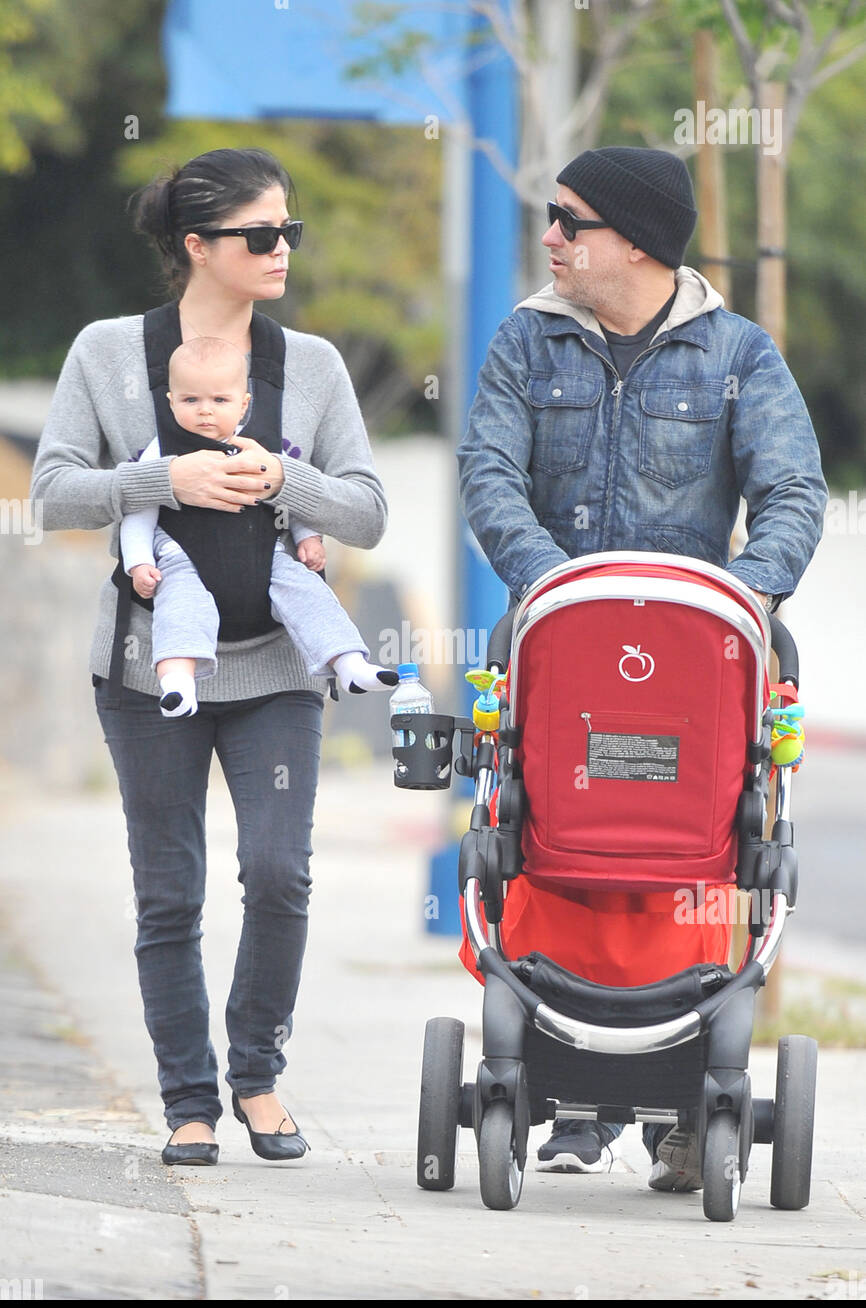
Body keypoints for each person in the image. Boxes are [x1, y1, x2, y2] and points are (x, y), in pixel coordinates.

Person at [456, 145, 828, 1189]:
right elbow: (487, 471)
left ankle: (676, 1086)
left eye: (566, 219)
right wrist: (549, 594)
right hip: (560, 650)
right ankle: (567, 1084)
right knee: (550, 829)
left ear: (633, 240)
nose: (550, 237)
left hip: (693, 663)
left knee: (703, 851)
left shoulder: (738, 355)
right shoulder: (525, 342)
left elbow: (792, 492)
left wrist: (741, 599)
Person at [30, 147, 389, 1165]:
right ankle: (189, 1103)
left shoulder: (308, 366)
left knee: (278, 873)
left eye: (290, 232)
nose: (282, 249)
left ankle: (259, 1076)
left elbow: (363, 507)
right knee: (168, 889)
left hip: (277, 666)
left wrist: (286, 480)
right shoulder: (108, 353)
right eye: (259, 234)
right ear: (197, 246)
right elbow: (53, 489)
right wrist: (164, 482)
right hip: (151, 671)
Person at [120, 334, 397, 717]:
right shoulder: (161, 449)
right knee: (180, 605)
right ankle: (177, 683)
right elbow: (139, 509)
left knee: (306, 590)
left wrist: (309, 537)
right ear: (170, 402)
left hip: (262, 551)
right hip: (182, 555)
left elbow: (291, 497)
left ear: (243, 403)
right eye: (190, 400)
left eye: (219, 400)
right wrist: (138, 563)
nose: (205, 411)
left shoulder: (259, 449)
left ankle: (348, 662)